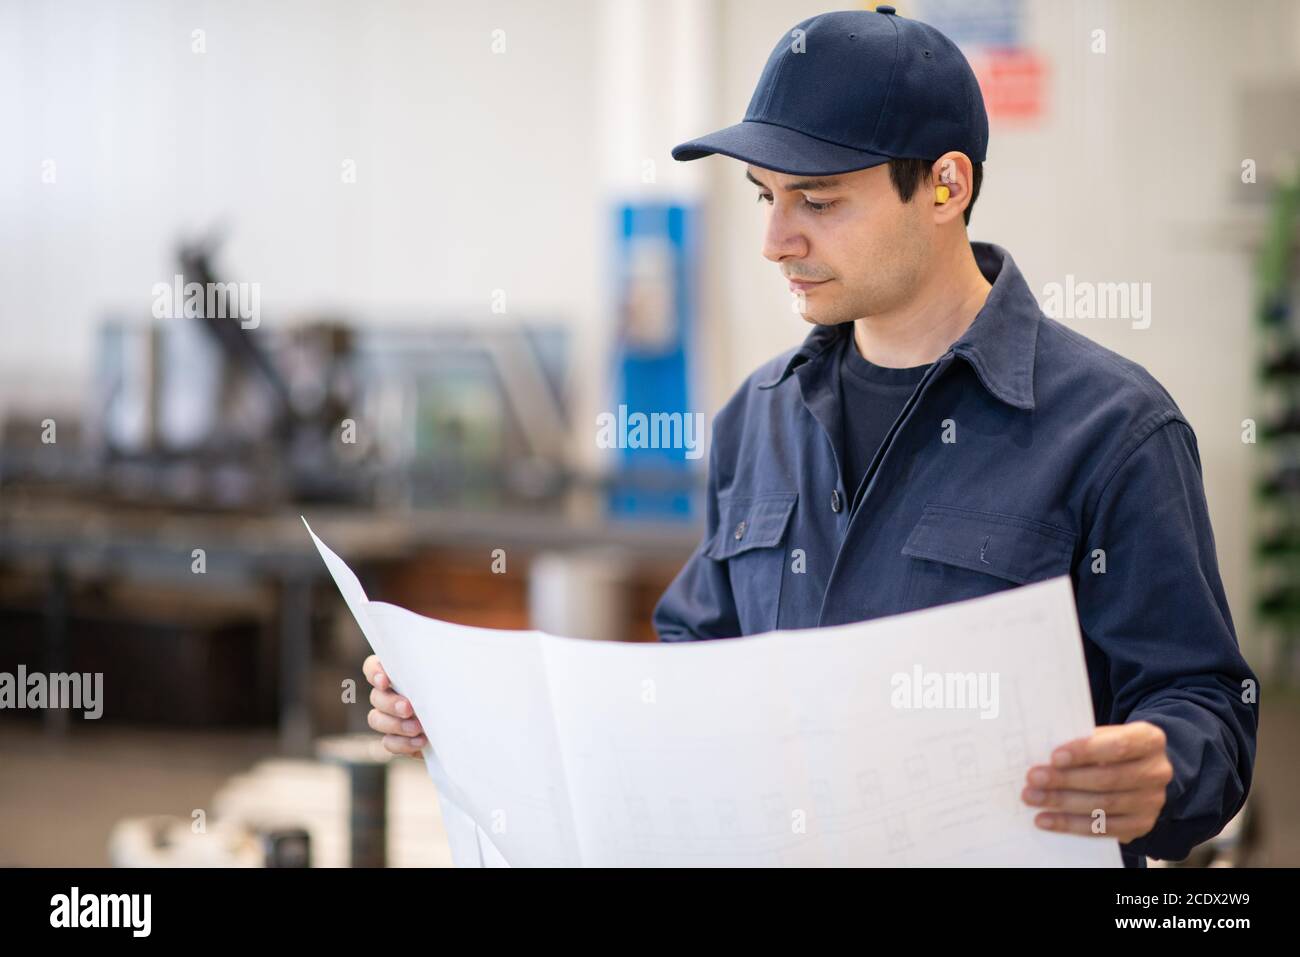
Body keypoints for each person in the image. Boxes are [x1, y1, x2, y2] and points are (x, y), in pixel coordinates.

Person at [365, 6, 1257, 868]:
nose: (775, 240)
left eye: (819, 202)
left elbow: (1209, 707)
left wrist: (1164, 768)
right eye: (766, 197)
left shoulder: (1113, 429)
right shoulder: (758, 417)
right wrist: (471, 721)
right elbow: (693, 685)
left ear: (947, 185)